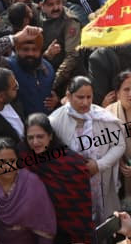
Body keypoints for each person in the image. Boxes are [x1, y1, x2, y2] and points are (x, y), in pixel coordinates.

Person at [50, 75, 125, 221]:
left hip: (101, 181)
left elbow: (119, 145)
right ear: (68, 96)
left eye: (89, 97)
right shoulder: (55, 121)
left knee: (104, 222)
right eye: (80, 97)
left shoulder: (102, 117)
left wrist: (98, 165)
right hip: (71, 187)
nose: (85, 103)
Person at [24, 113, 96, 244]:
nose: (35, 142)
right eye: (30, 138)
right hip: (43, 231)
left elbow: (82, 200)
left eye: (40, 136)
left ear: (50, 136)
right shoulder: (26, 157)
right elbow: (5, 163)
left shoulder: (70, 161)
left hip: (72, 230)